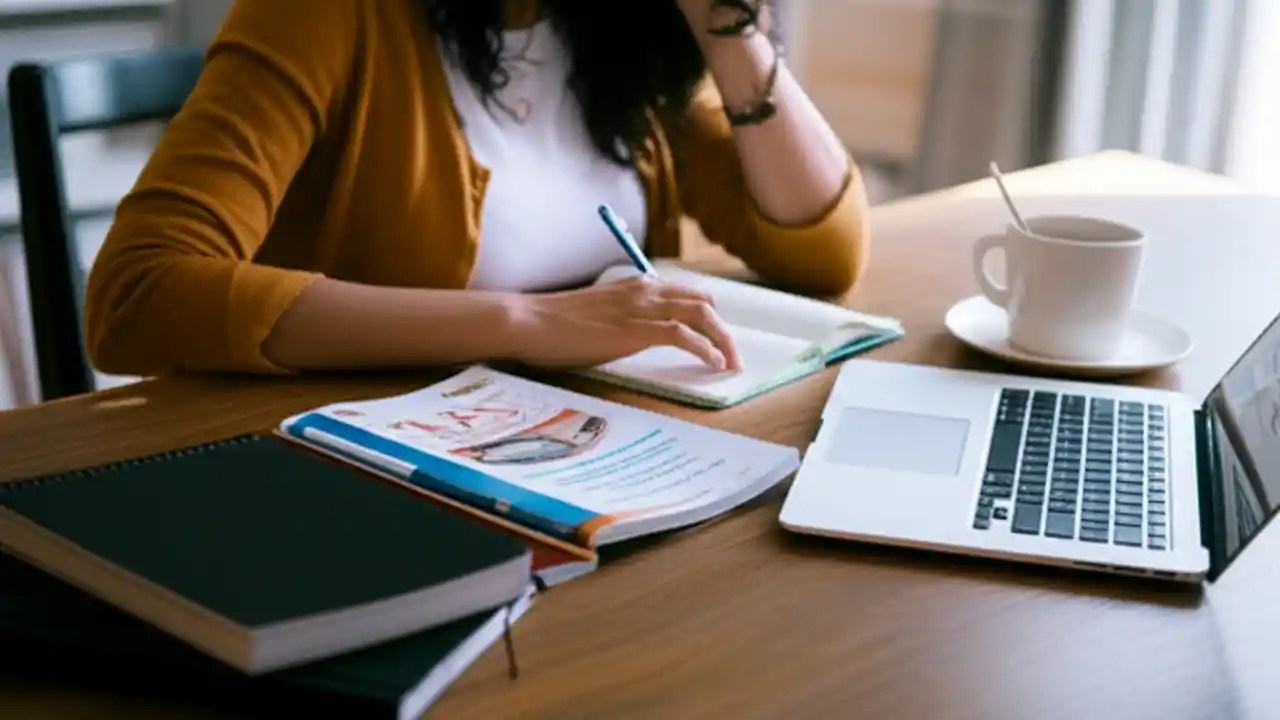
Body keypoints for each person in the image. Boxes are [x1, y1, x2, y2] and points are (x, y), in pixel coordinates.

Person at [84, 0, 870, 379]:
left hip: (588, 460)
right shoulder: (327, 12)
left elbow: (821, 251)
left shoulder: (619, 30)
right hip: (363, 474)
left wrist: (726, 24)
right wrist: (526, 323)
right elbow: (137, 295)